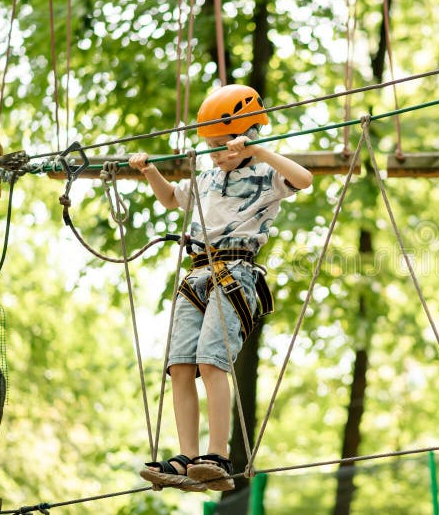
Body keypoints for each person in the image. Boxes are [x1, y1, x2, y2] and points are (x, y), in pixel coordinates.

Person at [130, 84, 313, 492]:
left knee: (212, 361)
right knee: (180, 365)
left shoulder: (266, 174)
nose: (215, 153)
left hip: (235, 273)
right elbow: (170, 200)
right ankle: (188, 457)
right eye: (210, 145)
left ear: (244, 136)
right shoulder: (208, 176)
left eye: (221, 145)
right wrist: (149, 170)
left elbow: (304, 179)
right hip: (196, 274)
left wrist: (260, 151)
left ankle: (217, 454)